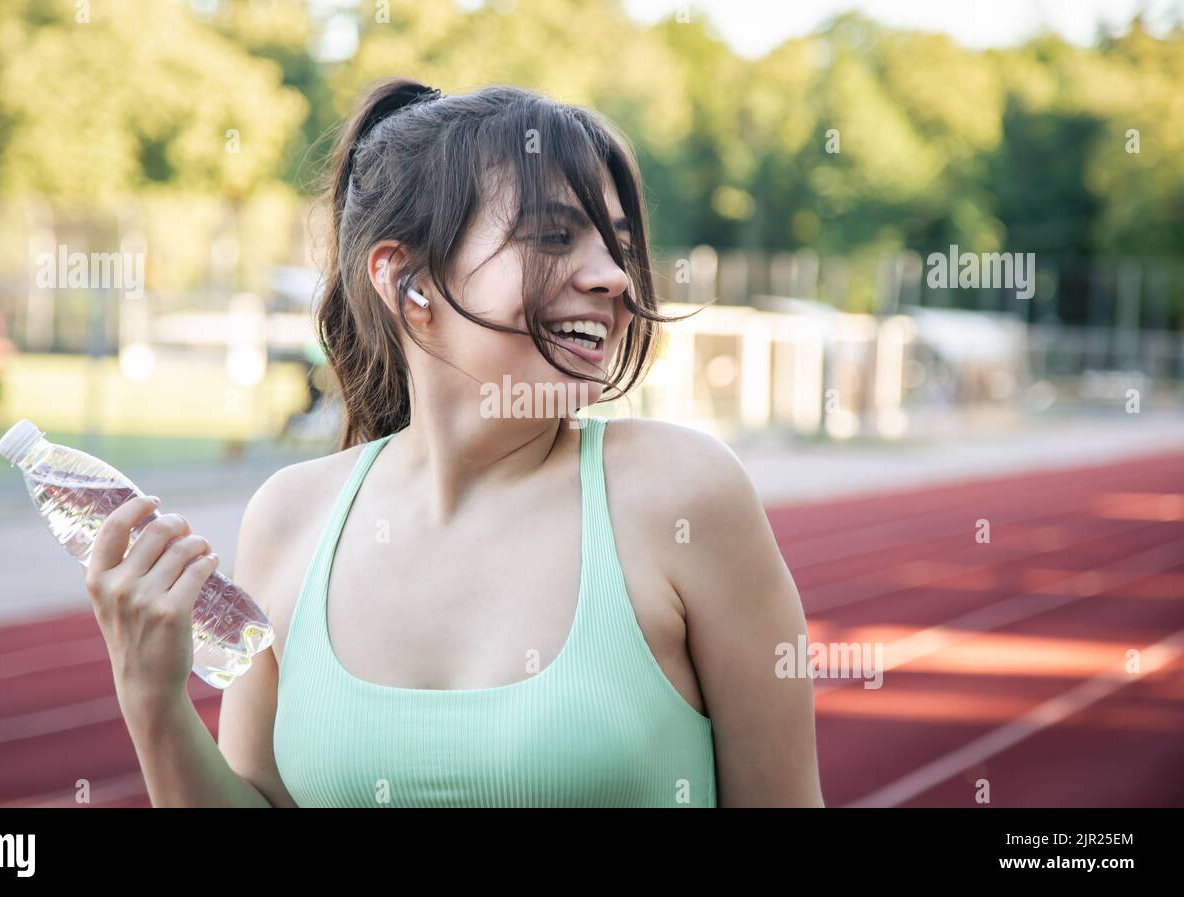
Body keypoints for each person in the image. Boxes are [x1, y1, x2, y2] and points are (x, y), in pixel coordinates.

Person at [85, 79, 824, 807]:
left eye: (619, 247)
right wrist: (153, 700)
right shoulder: (288, 517)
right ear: (408, 282)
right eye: (553, 235)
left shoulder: (684, 496)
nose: (613, 279)